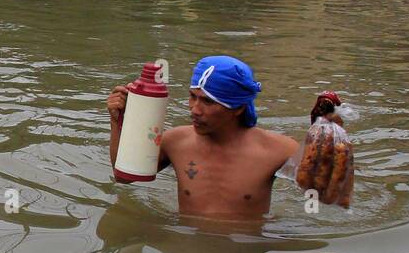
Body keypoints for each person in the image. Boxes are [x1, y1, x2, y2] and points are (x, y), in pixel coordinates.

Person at [106, 55, 300, 220]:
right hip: (189, 252)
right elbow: (123, 177)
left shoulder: (279, 150)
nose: (194, 109)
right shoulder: (176, 142)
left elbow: (324, 191)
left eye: (207, 101)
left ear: (238, 108)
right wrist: (117, 122)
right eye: (193, 96)